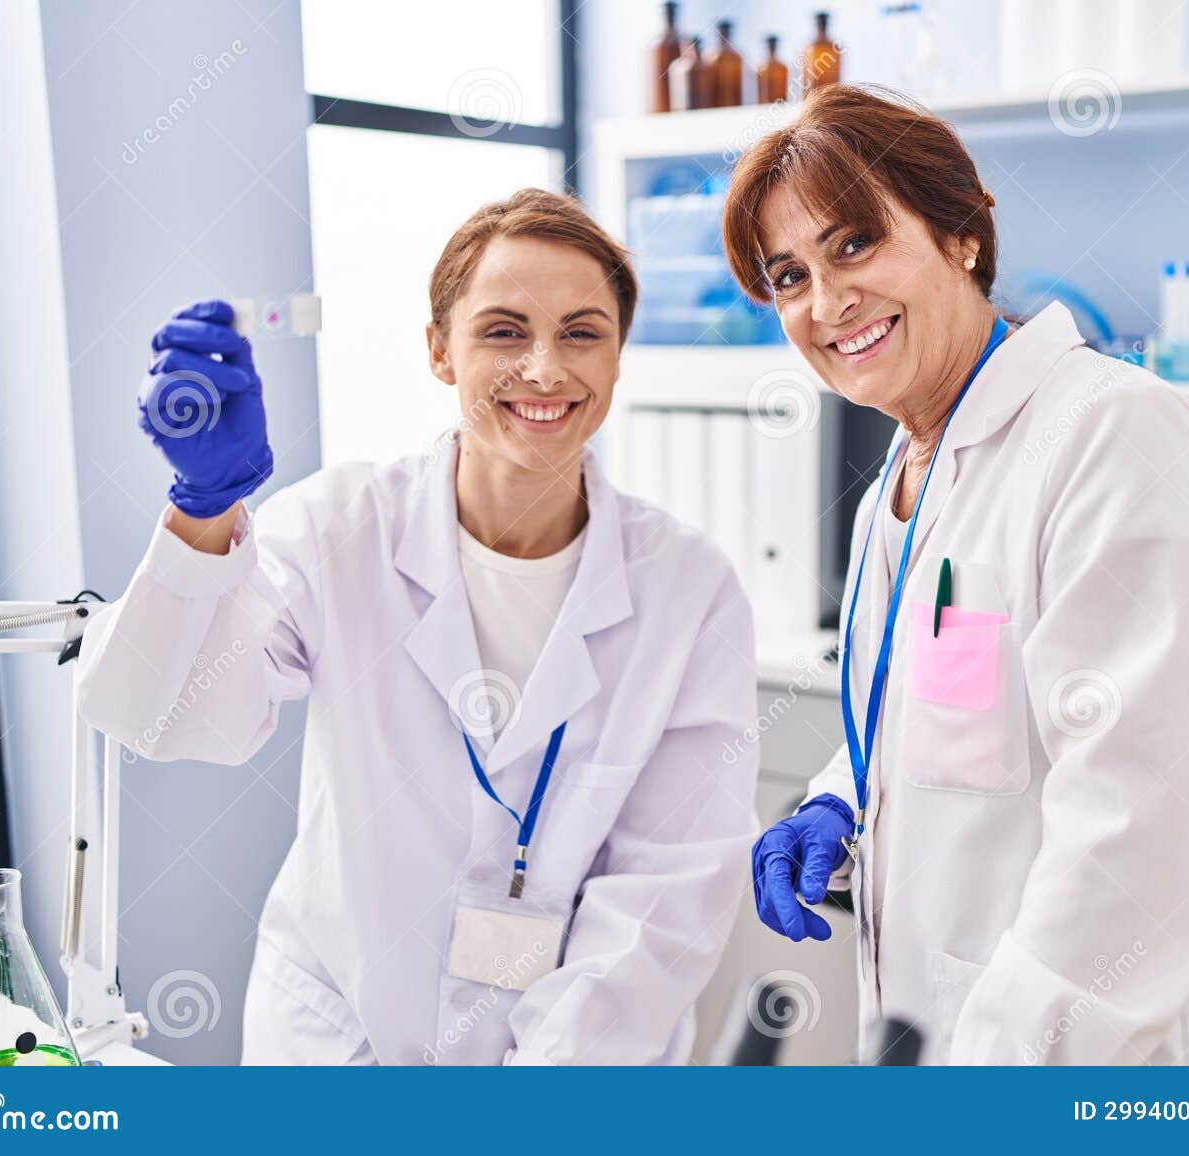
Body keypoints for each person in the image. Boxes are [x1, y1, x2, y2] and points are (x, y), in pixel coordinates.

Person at [76, 188, 759, 1064]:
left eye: (581, 333)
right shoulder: (341, 526)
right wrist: (203, 512)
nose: (545, 369)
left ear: (618, 353)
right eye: (504, 331)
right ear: (440, 349)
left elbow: (664, 895)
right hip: (341, 1041)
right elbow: (157, 717)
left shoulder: (689, 590)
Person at [723, 85, 1189, 1064]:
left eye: (855, 243)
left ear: (961, 237)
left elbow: (1131, 829)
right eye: (790, 276)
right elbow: (942, 716)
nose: (827, 302)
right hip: (943, 1027)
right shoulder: (905, 476)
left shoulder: (1114, 435)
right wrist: (839, 798)